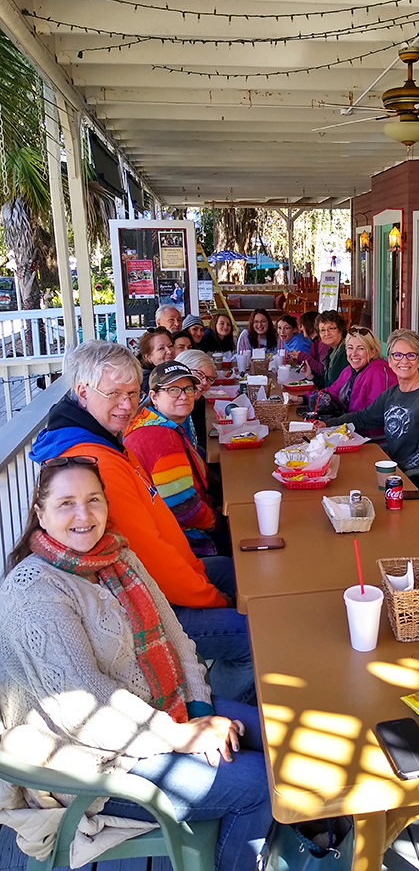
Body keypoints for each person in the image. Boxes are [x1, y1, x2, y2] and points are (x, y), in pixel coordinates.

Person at [0, 457, 270, 871]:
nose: (83, 515)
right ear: (40, 513)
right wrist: (181, 736)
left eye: (93, 500)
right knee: (261, 783)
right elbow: (80, 708)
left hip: (165, 710)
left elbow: (175, 634)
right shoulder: (35, 588)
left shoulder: (117, 555)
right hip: (93, 762)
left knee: (277, 744)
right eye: (66, 503)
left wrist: (198, 708)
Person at [29, 340, 254, 703]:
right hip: (143, 601)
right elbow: (149, 558)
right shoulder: (92, 461)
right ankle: (223, 708)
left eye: (133, 393)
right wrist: (213, 598)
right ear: (83, 391)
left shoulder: (106, 438)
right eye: (114, 393)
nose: (127, 405)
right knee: (255, 633)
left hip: (165, 574)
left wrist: (199, 573)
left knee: (234, 570)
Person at [124, 362, 227, 559]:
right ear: (154, 396)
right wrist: (218, 521)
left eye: (188, 388)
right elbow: (184, 508)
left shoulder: (149, 420)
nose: (184, 395)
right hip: (183, 544)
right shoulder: (162, 439)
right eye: (173, 390)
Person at [317, 328, 419, 479]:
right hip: (393, 469)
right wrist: (326, 425)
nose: (404, 361)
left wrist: (395, 471)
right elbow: (362, 418)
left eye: (411, 355)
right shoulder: (392, 394)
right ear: (390, 361)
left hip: (418, 477)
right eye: (397, 355)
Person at [306, 327, 396, 435]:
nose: (354, 353)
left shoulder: (378, 373)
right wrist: (302, 398)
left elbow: (372, 417)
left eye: (360, 348)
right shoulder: (349, 370)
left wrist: (330, 424)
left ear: (372, 352)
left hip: (371, 441)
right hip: (350, 431)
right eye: (350, 348)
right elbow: (331, 391)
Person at [175, 348, 218, 457]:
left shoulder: (188, 404)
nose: (204, 383)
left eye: (209, 379)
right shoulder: (175, 408)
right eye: (199, 374)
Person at [300, 310, 349, 389]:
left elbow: (334, 389)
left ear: (340, 330)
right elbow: (326, 383)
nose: (327, 334)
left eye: (331, 328)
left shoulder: (344, 352)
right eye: (322, 330)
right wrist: (310, 376)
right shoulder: (331, 351)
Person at [137, 327, 174, 394]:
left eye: (170, 346)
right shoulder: (144, 379)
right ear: (148, 357)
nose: (169, 351)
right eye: (161, 348)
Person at [296, 310, 328, 376]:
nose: (301, 329)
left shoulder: (323, 344)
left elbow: (321, 369)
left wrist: (303, 356)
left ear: (309, 325)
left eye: (302, 325)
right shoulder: (315, 342)